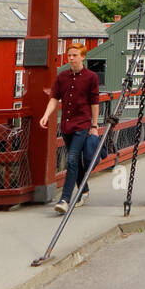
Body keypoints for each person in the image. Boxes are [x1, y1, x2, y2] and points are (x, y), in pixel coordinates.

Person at [40, 42, 101, 213]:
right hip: (66, 125)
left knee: (72, 159)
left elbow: (94, 102)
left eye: (75, 55)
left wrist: (94, 125)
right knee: (77, 162)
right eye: (69, 55)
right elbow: (54, 98)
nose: (71, 58)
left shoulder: (91, 77)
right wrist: (46, 115)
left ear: (83, 57)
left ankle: (65, 199)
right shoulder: (62, 77)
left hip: (82, 124)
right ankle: (85, 190)